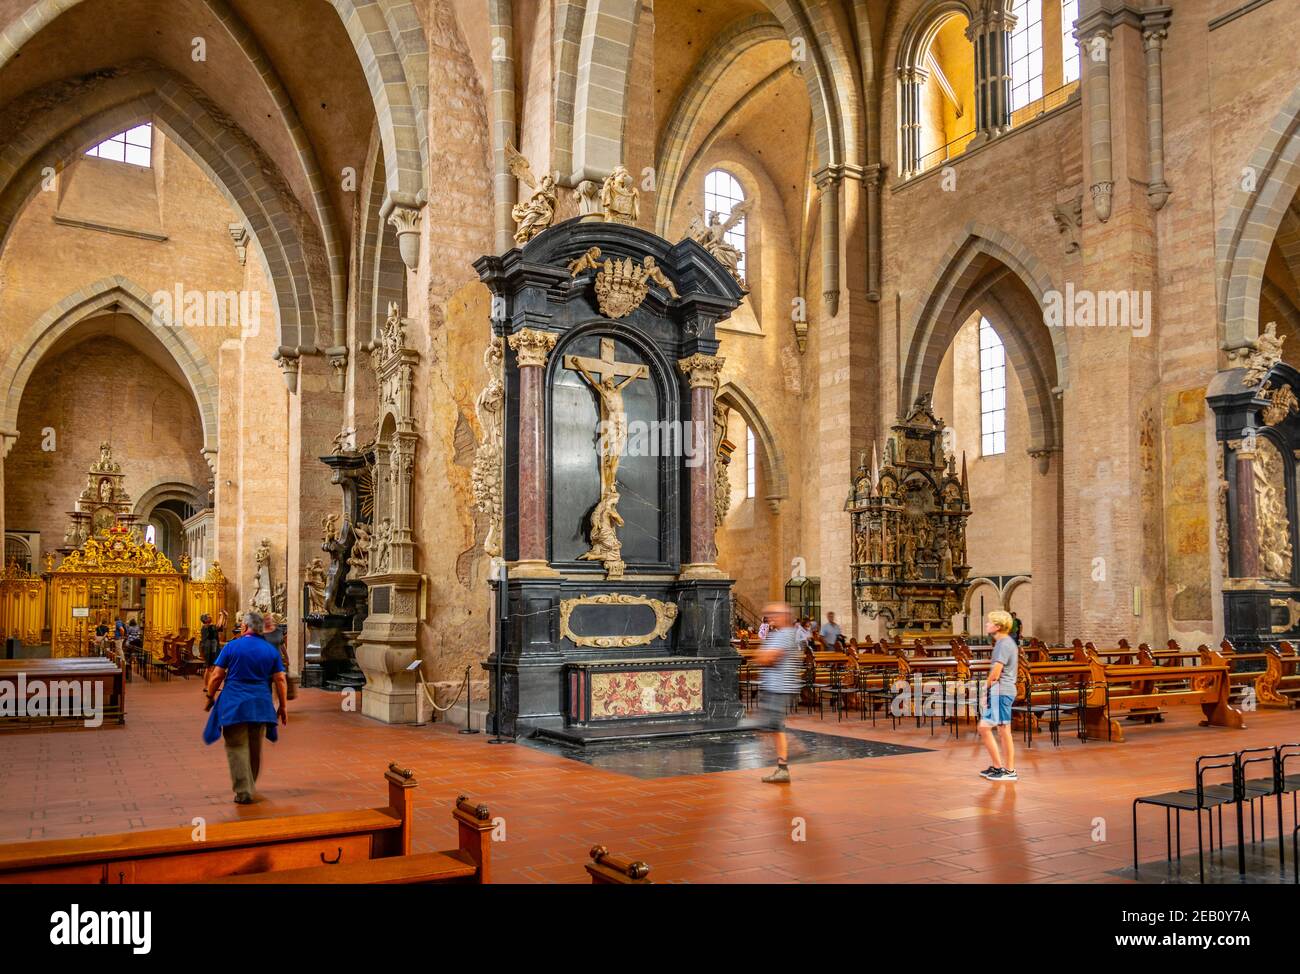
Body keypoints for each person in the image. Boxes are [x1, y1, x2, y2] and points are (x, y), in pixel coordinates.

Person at [203, 610, 288, 804]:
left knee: (237, 746)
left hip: (234, 704)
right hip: (261, 705)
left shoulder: (233, 646)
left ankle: (244, 790)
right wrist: (282, 707)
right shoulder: (270, 650)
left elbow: (217, 676)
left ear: (244, 627)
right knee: (255, 746)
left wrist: (209, 696)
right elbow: (280, 679)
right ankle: (250, 784)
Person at [754, 601, 802, 783]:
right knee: (773, 726)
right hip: (774, 686)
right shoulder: (779, 634)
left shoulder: (785, 634)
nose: (770, 618)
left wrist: (762, 655)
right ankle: (783, 764)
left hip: (780, 687)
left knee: (772, 725)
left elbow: (767, 658)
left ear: (784, 616)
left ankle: (790, 756)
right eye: (768, 615)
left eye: (773, 615)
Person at [977, 610, 1018, 782]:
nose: (986, 624)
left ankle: (1009, 770)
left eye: (989, 622)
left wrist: (983, 690)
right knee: (985, 728)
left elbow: (995, 674)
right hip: (999, 691)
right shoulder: (1003, 642)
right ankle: (997, 767)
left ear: (998, 626)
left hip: (1002, 691)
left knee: (1003, 730)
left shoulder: (1004, 644)